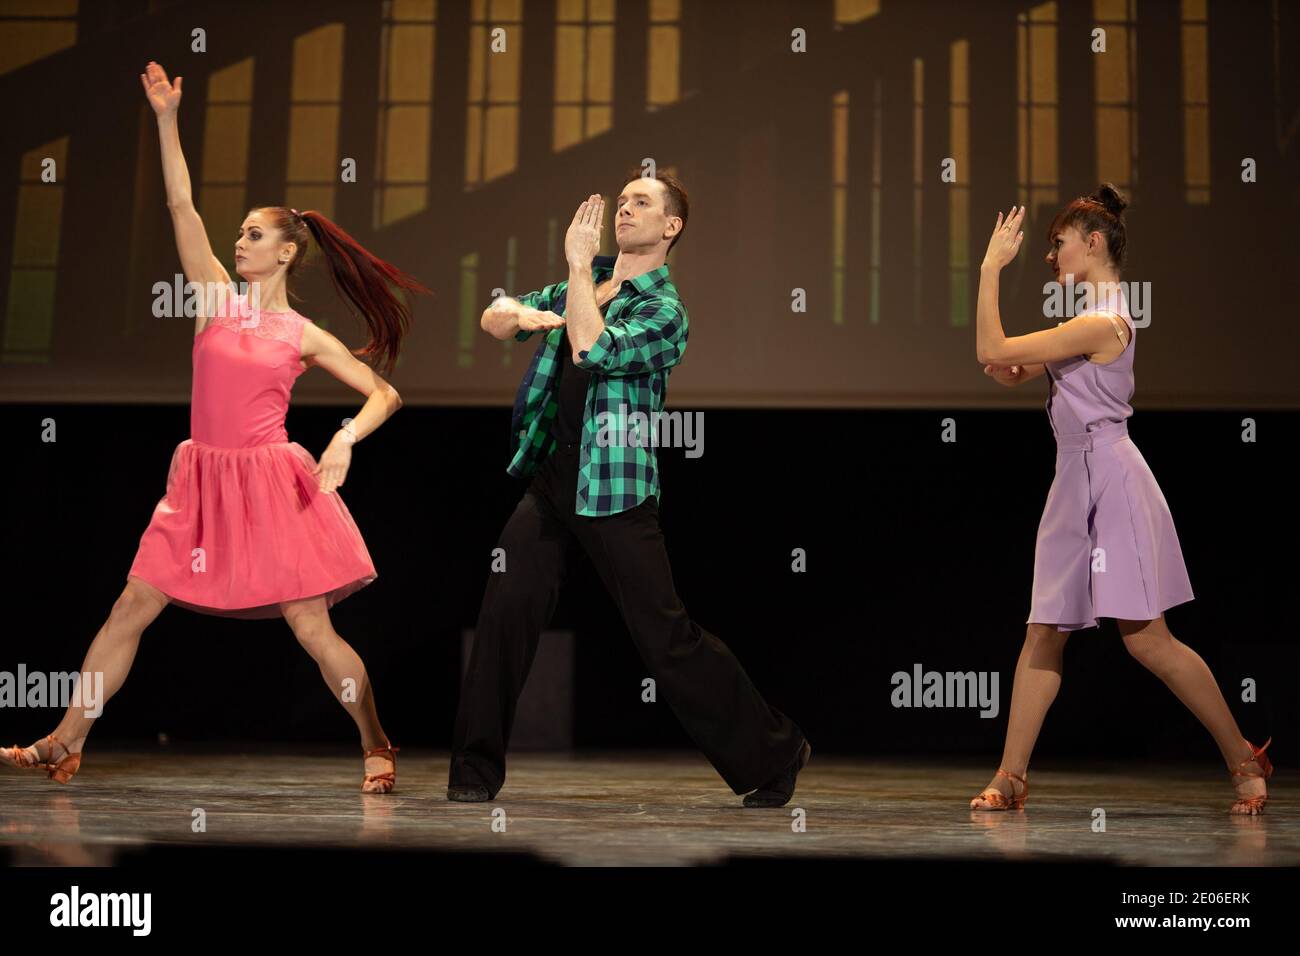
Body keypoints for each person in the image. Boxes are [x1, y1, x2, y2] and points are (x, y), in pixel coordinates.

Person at [1, 61, 428, 793]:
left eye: (255, 235)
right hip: (199, 480)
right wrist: (166, 119)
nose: (240, 241)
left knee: (312, 629)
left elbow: (384, 394)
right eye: (240, 232)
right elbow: (179, 205)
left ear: (287, 253)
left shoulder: (300, 333)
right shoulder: (213, 300)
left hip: (272, 485)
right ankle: (65, 740)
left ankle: (376, 743)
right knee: (132, 604)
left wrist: (342, 440)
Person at [447, 170, 810, 807]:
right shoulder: (581, 284)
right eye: (621, 201)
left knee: (666, 639)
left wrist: (579, 269)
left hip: (614, 490)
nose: (624, 209)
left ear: (671, 226)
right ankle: (473, 777)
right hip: (553, 481)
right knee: (503, 616)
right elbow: (491, 319)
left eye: (641, 203)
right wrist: (519, 311)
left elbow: (588, 346)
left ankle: (776, 750)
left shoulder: (663, 310)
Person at [969, 183, 1272, 814]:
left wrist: (990, 270)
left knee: (1147, 640)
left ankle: (1243, 758)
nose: (1052, 256)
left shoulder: (1103, 322)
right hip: (1071, 481)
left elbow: (993, 350)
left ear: (1094, 242)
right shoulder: (1080, 325)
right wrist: (1015, 364)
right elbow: (1007, 365)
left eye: (1059, 244)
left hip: (1113, 478)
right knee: (1043, 630)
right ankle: (1011, 776)